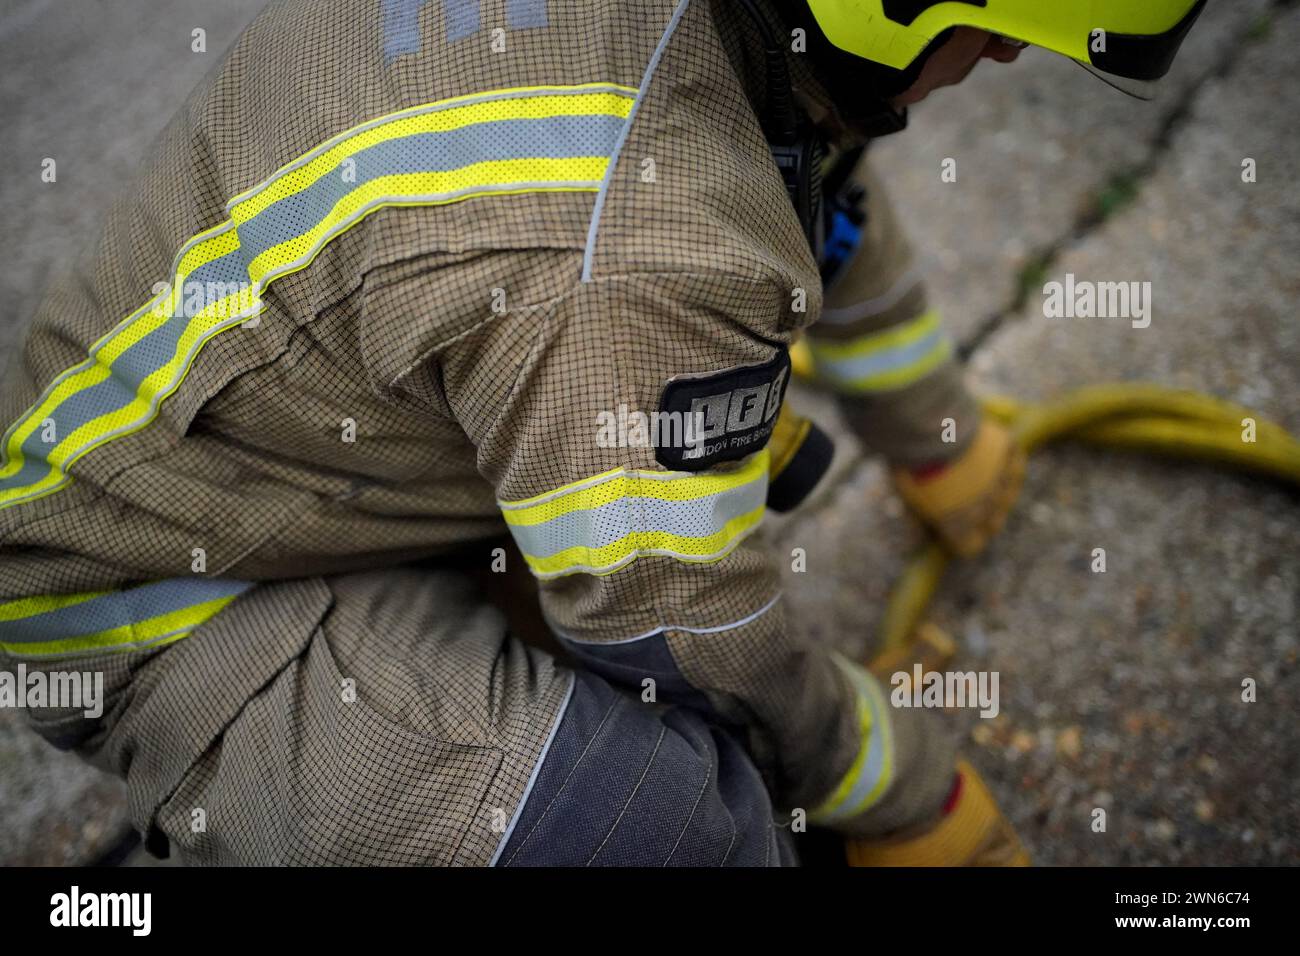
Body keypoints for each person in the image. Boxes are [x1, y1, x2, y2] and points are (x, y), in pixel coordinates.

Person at [0, 0, 1204, 866]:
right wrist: (897, 786)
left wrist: (935, 434)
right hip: (158, 594)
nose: (997, 55)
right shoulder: (650, 229)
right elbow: (686, 634)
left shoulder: (745, 49)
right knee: (669, 822)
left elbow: (823, 190)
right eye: (996, 30)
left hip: (325, 452)